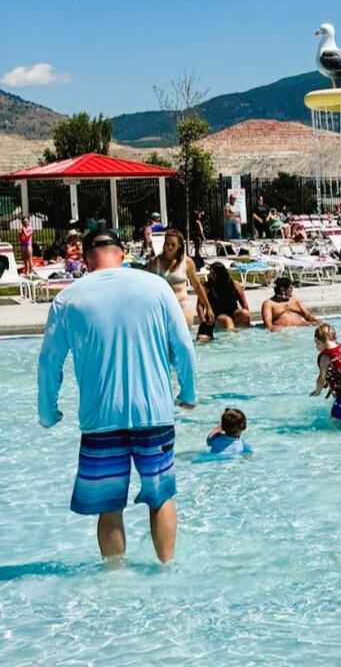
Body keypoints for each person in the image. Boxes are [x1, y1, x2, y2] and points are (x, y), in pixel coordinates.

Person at [36, 228, 197, 563]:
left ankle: (114, 580)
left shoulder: (68, 299)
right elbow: (183, 346)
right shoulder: (156, 286)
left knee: (109, 506)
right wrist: (188, 392)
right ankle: (167, 569)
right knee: (161, 496)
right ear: (122, 253)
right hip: (153, 412)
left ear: (83, 258)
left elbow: (49, 362)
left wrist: (47, 411)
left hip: (100, 418)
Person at [150, 229, 213, 331]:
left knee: (183, 334)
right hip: (162, 306)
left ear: (179, 245)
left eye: (173, 244)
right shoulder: (155, 262)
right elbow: (150, 287)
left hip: (182, 303)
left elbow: (197, 286)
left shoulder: (187, 262)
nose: (169, 247)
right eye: (167, 244)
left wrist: (208, 307)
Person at [196, 261, 251, 342]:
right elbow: (200, 306)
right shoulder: (207, 287)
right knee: (227, 320)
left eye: (213, 274)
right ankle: (232, 340)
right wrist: (204, 322)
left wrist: (247, 315)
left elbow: (244, 303)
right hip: (216, 315)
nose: (210, 276)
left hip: (233, 311)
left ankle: (245, 338)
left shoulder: (234, 285)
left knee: (245, 314)